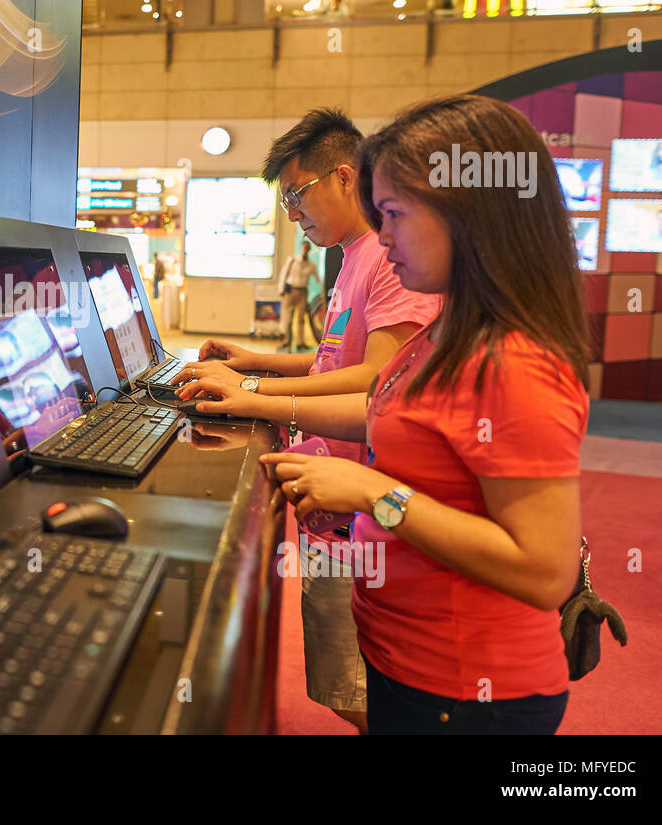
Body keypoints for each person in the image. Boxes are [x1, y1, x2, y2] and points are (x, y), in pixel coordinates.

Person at [234, 93, 590, 734]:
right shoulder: (445, 331)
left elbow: (543, 569)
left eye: (395, 213)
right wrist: (260, 397)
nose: (384, 236)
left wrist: (374, 491)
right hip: (412, 663)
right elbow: (382, 417)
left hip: (465, 688)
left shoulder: (514, 363)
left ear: (471, 215)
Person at [173, 108, 441, 733]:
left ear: (346, 178)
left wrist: (254, 392)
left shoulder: (387, 258)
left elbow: (378, 382)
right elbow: (337, 358)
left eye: (297, 194)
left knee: (359, 684)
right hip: (339, 497)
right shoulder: (353, 256)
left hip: (363, 502)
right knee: (346, 673)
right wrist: (261, 365)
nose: (292, 213)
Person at [277, 239, 320, 351]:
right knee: (288, 318)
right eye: (303, 247)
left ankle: (300, 343)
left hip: (303, 292)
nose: (305, 250)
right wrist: (281, 289)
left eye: (307, 248)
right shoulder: (292, 261)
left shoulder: (311, 264)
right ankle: (286, 342)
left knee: (301, 318)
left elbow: (317, 278)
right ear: (301, 248)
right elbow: (284, 274)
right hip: (291, 291)